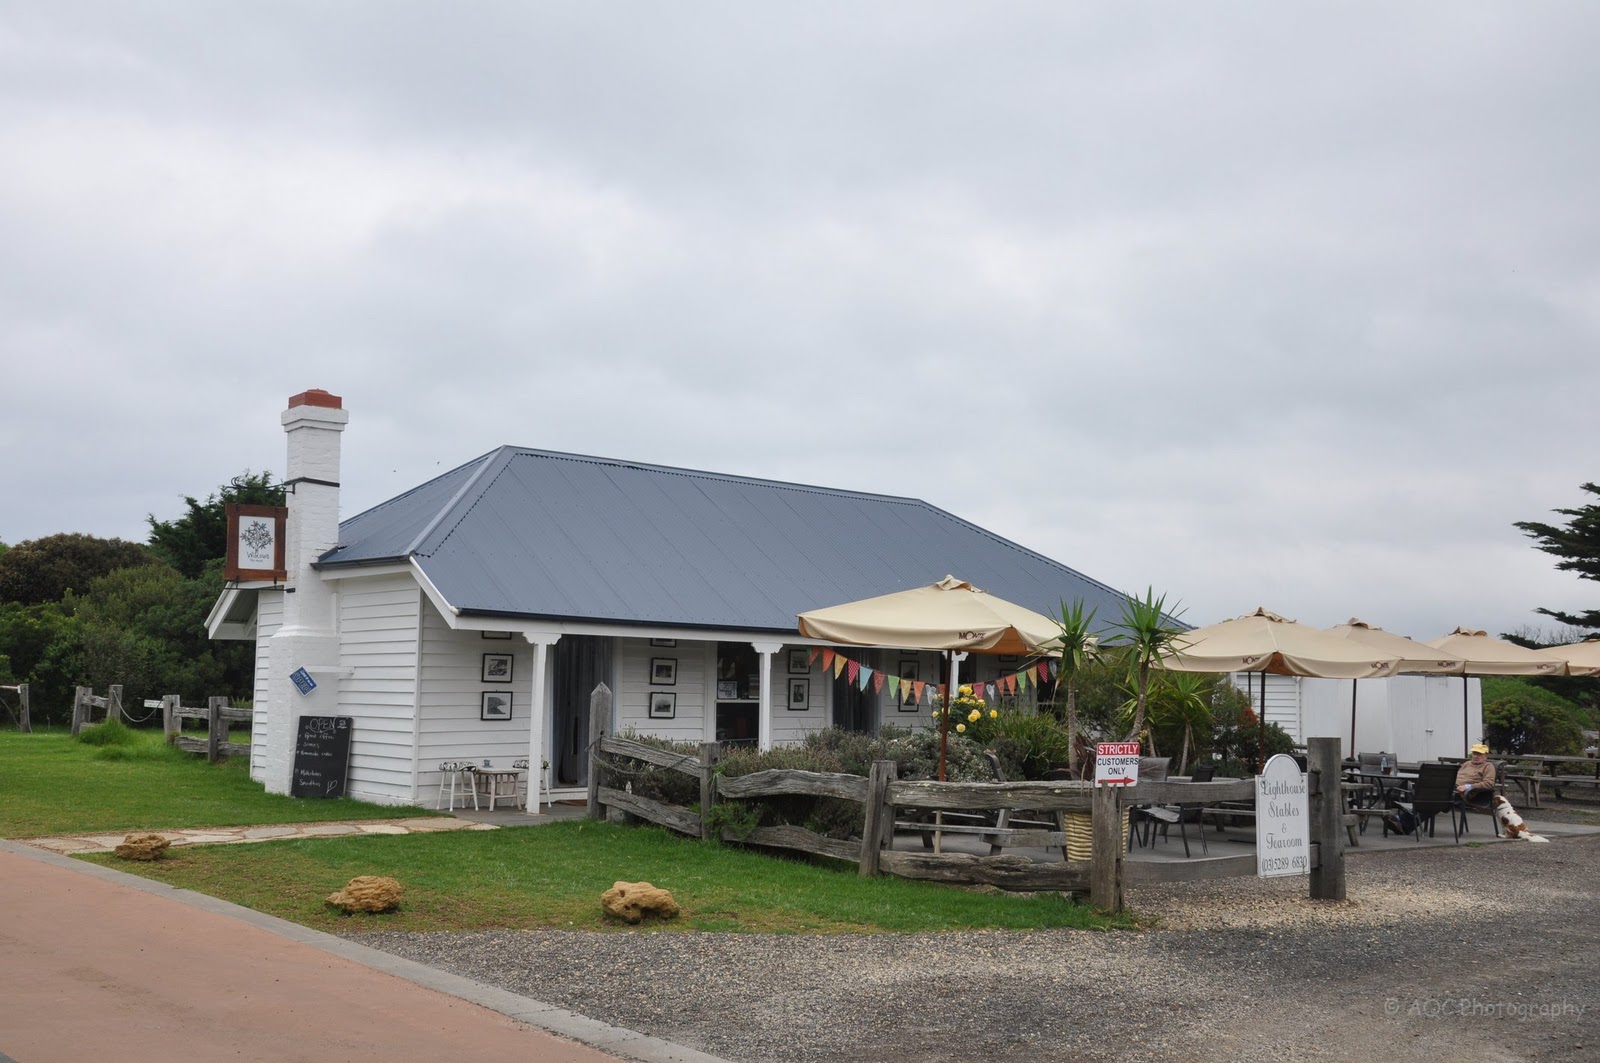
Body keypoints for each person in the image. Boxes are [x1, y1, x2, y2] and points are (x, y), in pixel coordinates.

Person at [1455, 742, 1497, 810]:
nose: (1476, 756)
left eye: (1479, 754)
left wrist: (1467, 786)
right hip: (1453, 788)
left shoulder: (1488, 766)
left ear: (1486, 756)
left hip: (1468, 794)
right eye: (1474, 753)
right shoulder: (1467, 764)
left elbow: (1489, 784)